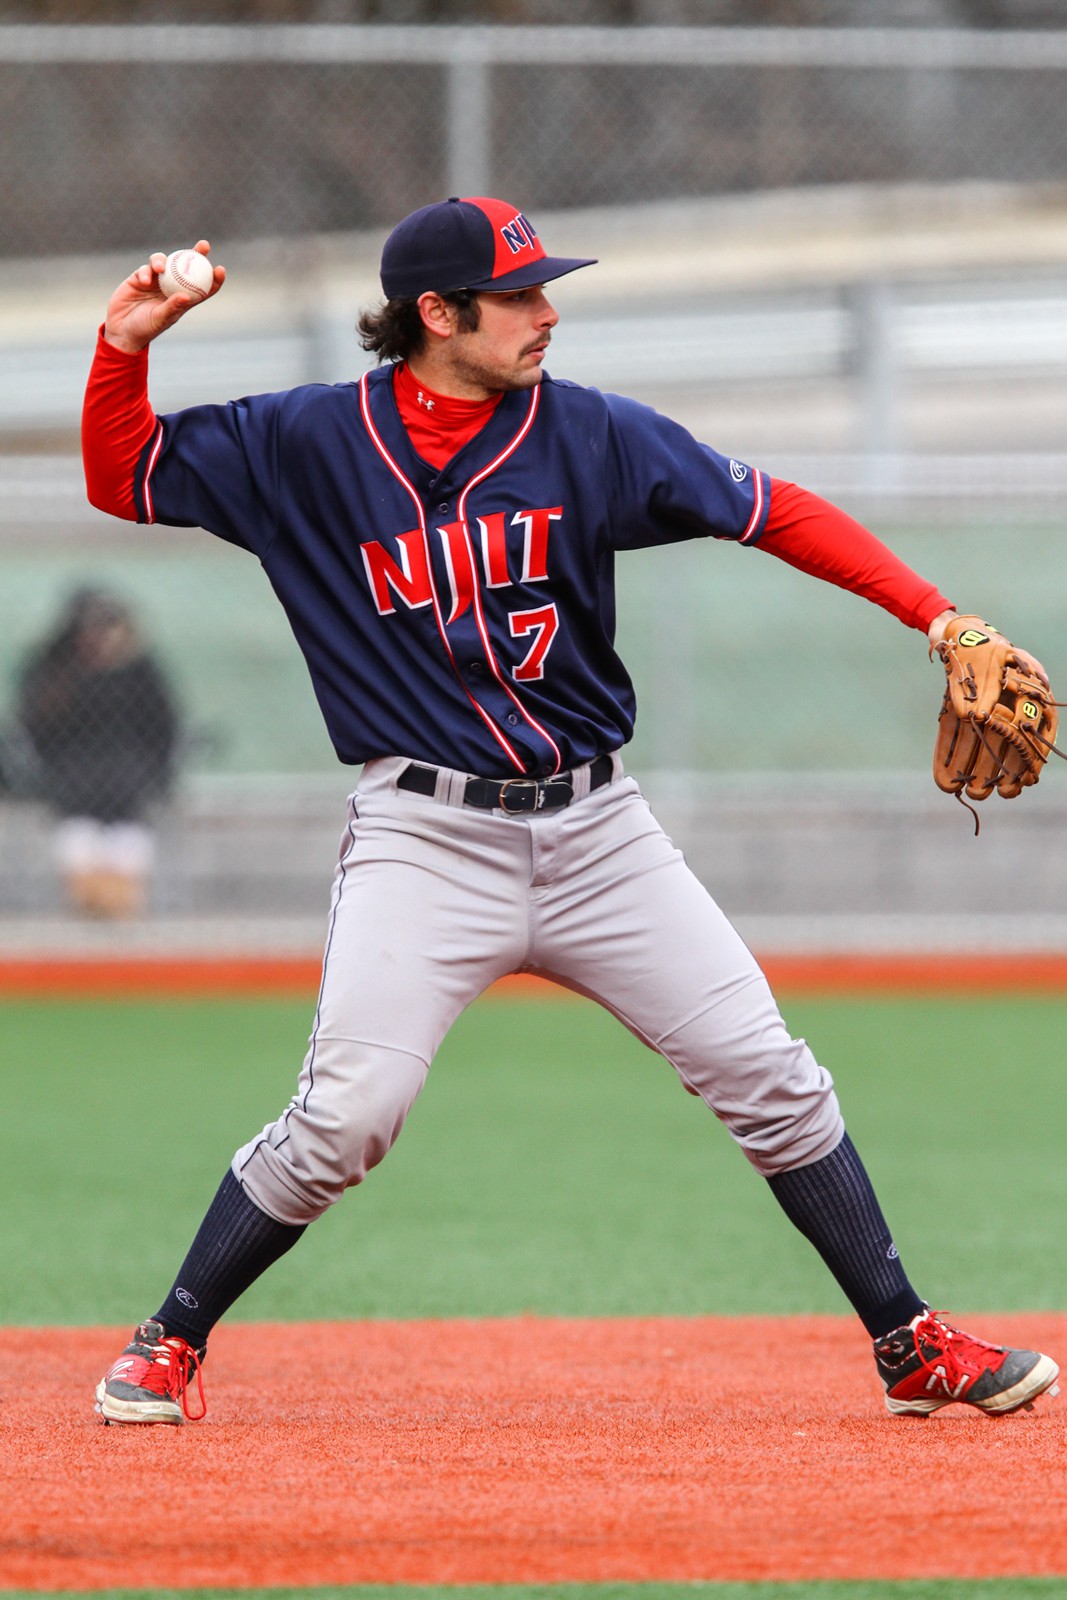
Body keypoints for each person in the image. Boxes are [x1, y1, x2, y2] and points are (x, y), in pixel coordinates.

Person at [83, 200, 1058, 1426]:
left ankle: (906, 1343)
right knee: (346, 1118)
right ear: (436, 316)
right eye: (518, 294)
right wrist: (126, 344)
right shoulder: (310, 443)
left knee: (771, 1075)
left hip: (599, 834)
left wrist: (938, 616)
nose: (548, 311)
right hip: (425, 837)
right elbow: (123, 475)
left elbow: (773, 508)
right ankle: (169, 1340)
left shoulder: (586, 432)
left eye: (545, 287)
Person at [14, 586, 181, 919]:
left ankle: (120, 900)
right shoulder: (55, 664)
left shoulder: (137, 668)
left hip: (129, 767)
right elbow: (34, 718)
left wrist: (119, 661)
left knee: (127, 826)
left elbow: (163, 722)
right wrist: (80, 666)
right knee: (80, 828)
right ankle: (88, 899)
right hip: (70, 767)